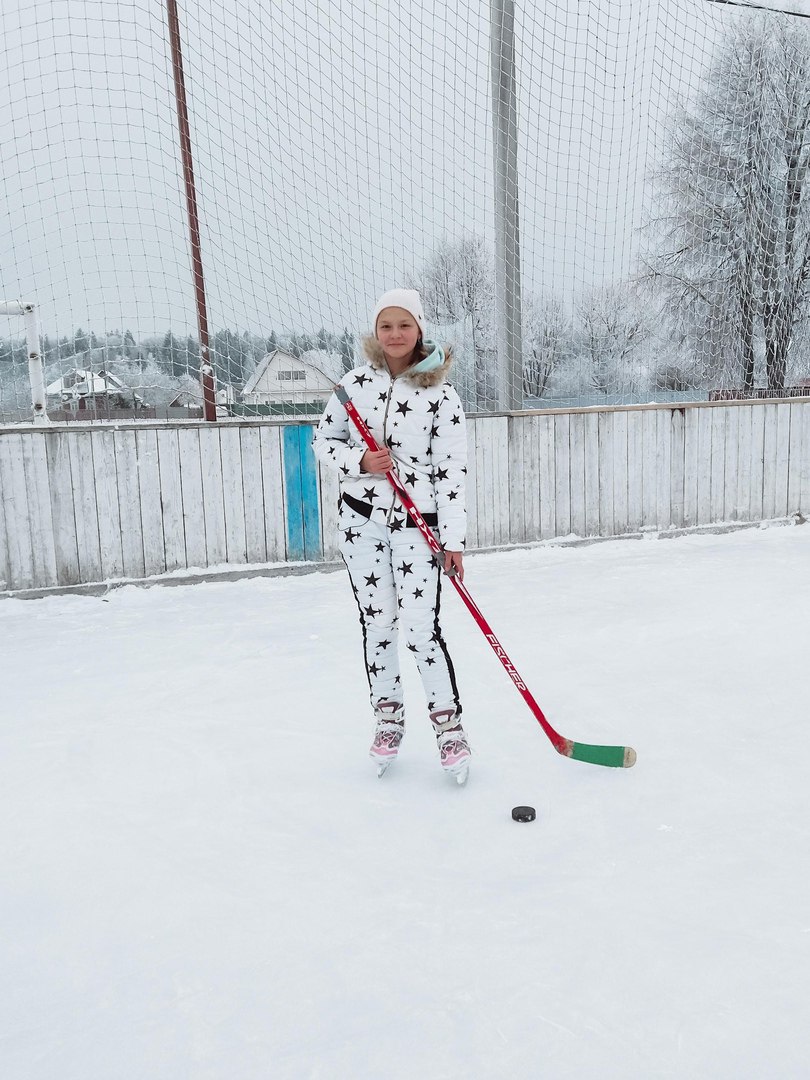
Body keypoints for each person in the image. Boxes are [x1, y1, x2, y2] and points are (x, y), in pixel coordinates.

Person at [312, 288, 470, 781]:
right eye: (386, 326)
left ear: (420, 329)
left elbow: (452, 469)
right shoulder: (353, 384)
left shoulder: (440, 394)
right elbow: (323, 441)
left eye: (404, 325)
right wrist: (360, 461)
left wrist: (454, 540)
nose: (395, 334)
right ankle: (388, 720)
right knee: (379, 625)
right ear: (375, 333)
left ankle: (449, 730)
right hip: (362, 522)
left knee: (421, 629)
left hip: (418, 528)